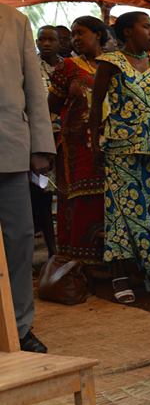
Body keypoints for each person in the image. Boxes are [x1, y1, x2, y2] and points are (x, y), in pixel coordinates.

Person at [90, 11, 150, 303]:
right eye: (146, 27)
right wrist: (94, 144)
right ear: (127, 32)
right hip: (120, 150)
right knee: (121, 214)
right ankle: (119, 274)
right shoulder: (110, 63)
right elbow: (96, 103)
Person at [0, 6, 55, 353]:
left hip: (10, 148)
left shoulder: (15, 20)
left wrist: (41, 146)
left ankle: (19, 328)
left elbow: (35, 90)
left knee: (19, 242)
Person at [48, 16, 108, 263]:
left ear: (98, 35)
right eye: (73, 34)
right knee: (80, 201)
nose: (75, 39)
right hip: (76, 150)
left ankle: (109, 262)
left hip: (109, 146)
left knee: (106, 199)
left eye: (80, 33)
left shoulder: (114, 64)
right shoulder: (68, 67)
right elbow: (51, 106)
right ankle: (76, 264)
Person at [32, 25, 61, 259]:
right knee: (42, 193)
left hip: (68, 143)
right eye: (42, 39)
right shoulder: (30, 66)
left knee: (65, 197)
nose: (47, 43)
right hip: (43, 144)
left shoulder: (68, 66)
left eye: (52, 39)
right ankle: (52, 251)